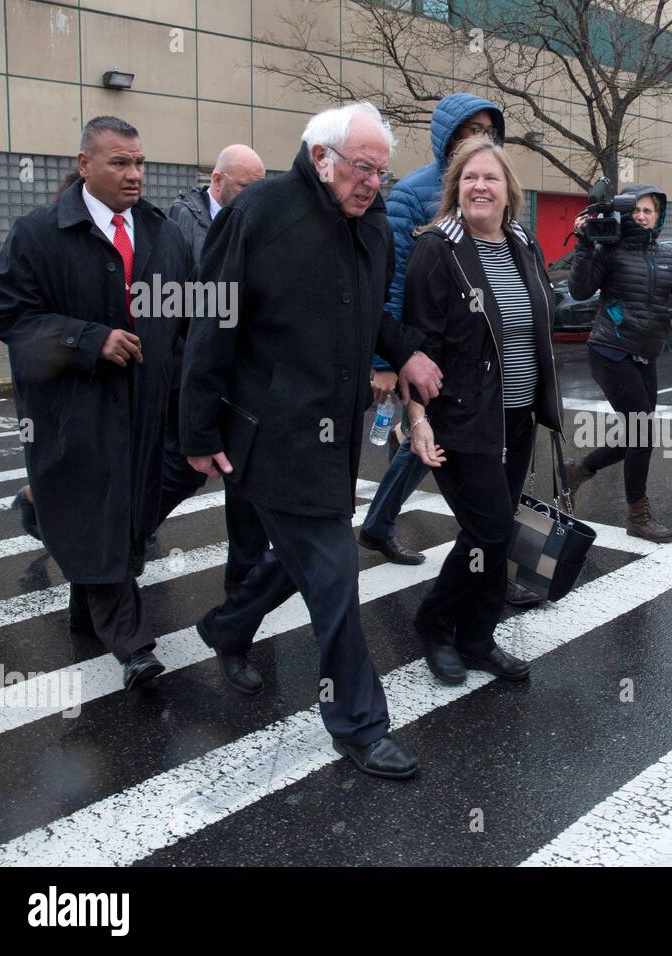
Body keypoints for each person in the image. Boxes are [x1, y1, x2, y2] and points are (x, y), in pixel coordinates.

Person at [181, 102, 438, 781]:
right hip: (272, 435)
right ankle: (358, 722)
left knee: (302, 558)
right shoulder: (259, 213)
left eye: (382, 173)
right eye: (361, 169)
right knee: (332, 574)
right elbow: (211, 324)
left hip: (335, 433)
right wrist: (198, 429)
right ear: (321, 158)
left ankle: (229, 627)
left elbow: (369, 314)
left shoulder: (371, 227)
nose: (372, 185)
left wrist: (403, 353)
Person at [0, 115, 193, 689]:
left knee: (126, 519)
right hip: (72, 411)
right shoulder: (38, 234)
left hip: (146, 410)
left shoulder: (161, 233)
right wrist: (88, 338)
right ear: (85, 165)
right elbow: (11, 317)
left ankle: (86, 608)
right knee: (98, 513)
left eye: (140, 162)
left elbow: (184, 319)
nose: (135, 175)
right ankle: (133, 647)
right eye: (119, 163)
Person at [403, 137, 563, 685]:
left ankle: (478, 638)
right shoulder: (437, 249)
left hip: (516, 420)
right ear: (455, 188)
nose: (479, 187)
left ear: (507, 190)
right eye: (469, 178)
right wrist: (417, 418)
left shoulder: (523, 243)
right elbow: (417, 349)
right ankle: (434, 622)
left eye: (490, 178)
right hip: (462, 420)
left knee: (495, 533)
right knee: (490, 530)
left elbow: (537, 321)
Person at [360, 93, 506, 574]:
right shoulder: (412, 193)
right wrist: (387, 360)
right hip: (425, 344)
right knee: (431, 437)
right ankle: (484, 554)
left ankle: (382, 525)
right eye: (470, 130)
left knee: (431, 440)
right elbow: (394, 277)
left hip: (475, 346)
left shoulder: (489, 186)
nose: (480, 139)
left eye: (487, 130)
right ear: (447, 136)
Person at [149, 145, 268, 593]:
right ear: (217, 181)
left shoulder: (252, 221)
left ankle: (243, 578)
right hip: (191, 372)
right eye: (243, 186)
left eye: (258, 186)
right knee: (182, 468)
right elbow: (168, 303)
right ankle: (128, 538)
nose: (251, 195)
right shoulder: (182, 224)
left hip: (239, 377)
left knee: (240, 475)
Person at [562, 185, 672, 542]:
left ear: (658, 217)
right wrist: (584, 243)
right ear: (626, 213)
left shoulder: (668, 256)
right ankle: (637, 516)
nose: (644, 216)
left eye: (651, 211)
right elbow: (579, 290)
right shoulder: (608, 251)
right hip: (610, 350)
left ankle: (578, 470)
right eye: (638, 210)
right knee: (643, 432)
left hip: (645, 353)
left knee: (636, 433)